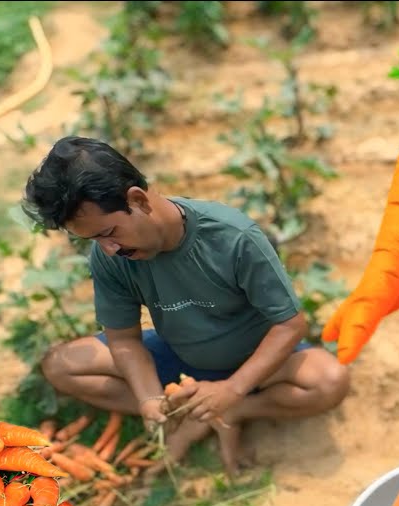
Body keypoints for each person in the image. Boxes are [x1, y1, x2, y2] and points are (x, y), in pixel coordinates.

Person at [20, 136, 351, 475]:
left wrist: (232, 390)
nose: (108, 249)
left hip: (259, 359)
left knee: (329, 380)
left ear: (137, 200)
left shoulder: (233, 236)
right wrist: (149, 398)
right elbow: (124, 340)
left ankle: (232, 411)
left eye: (109, 232)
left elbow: (290, 325)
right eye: (94, 239)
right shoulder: (112, 256)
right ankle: (184, 413)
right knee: (61, 365)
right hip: (179, 355)